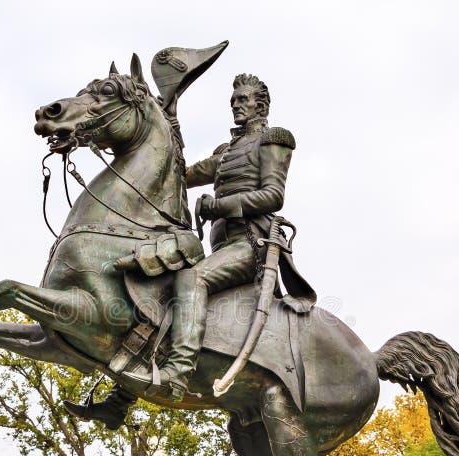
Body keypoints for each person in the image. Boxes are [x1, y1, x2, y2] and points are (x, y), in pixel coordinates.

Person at [66, 73, 314, 427]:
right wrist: (168, 122)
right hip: (223, 246)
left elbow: (274, 196)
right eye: (233, 102)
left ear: (261, 105)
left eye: (243, 101)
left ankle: (178, 372)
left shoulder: (274, 140)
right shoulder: (226, 153)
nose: (237, 107)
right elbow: (179, 172)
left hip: (252, 244)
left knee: (191, 278)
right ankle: (119, 401)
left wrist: (220, 206)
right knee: (159, 292)